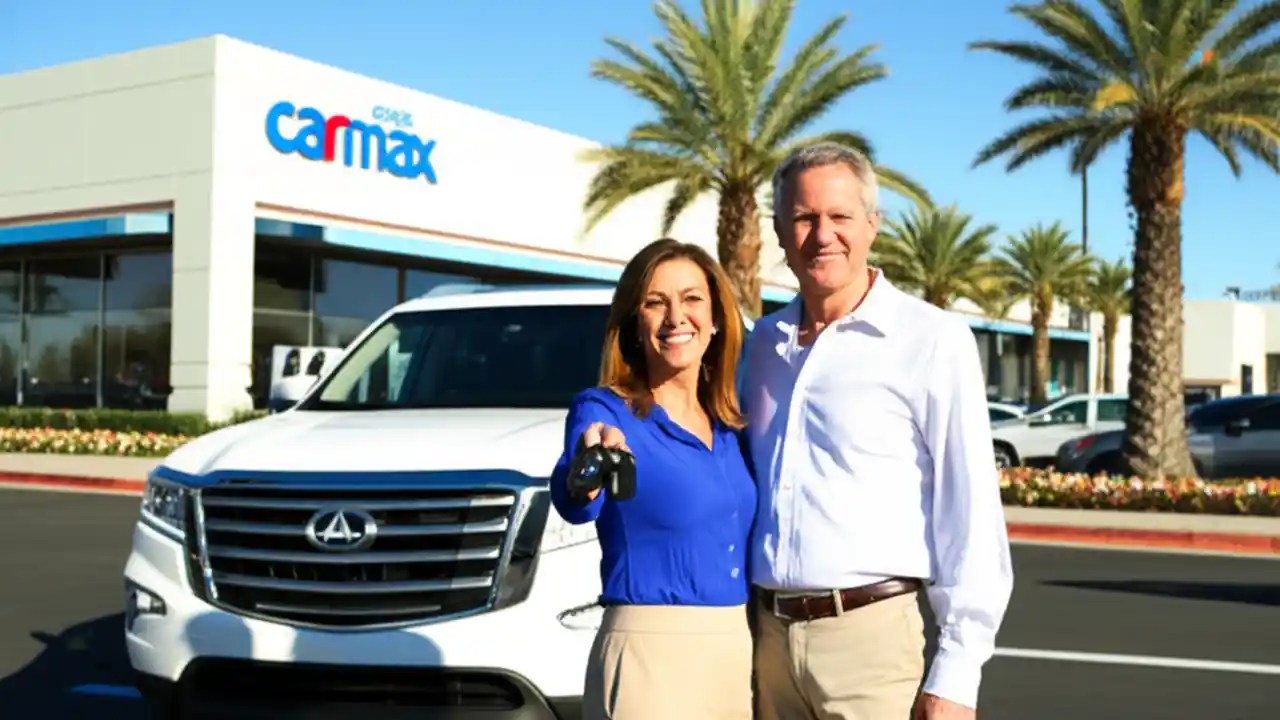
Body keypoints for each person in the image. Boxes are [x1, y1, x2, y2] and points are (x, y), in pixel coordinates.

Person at [740, 142, 1015, 719]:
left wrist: (957, 674)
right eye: (804, 217)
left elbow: (969, 513)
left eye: (840, 217)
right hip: (766, 647)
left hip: (872, 648)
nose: (823, 235)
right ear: (780, 232)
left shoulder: (931, 339)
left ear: (872, 226)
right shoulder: (758, 346)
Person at [548, 237, 756, 720]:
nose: (675, 317)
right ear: (634, 324)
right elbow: (577, 497)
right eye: (655, 302)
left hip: (735, 654)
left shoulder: (730, 427)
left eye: (691, 299)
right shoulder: (605, 409)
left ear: (717, 319)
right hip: (650, 661)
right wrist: (590, 466)